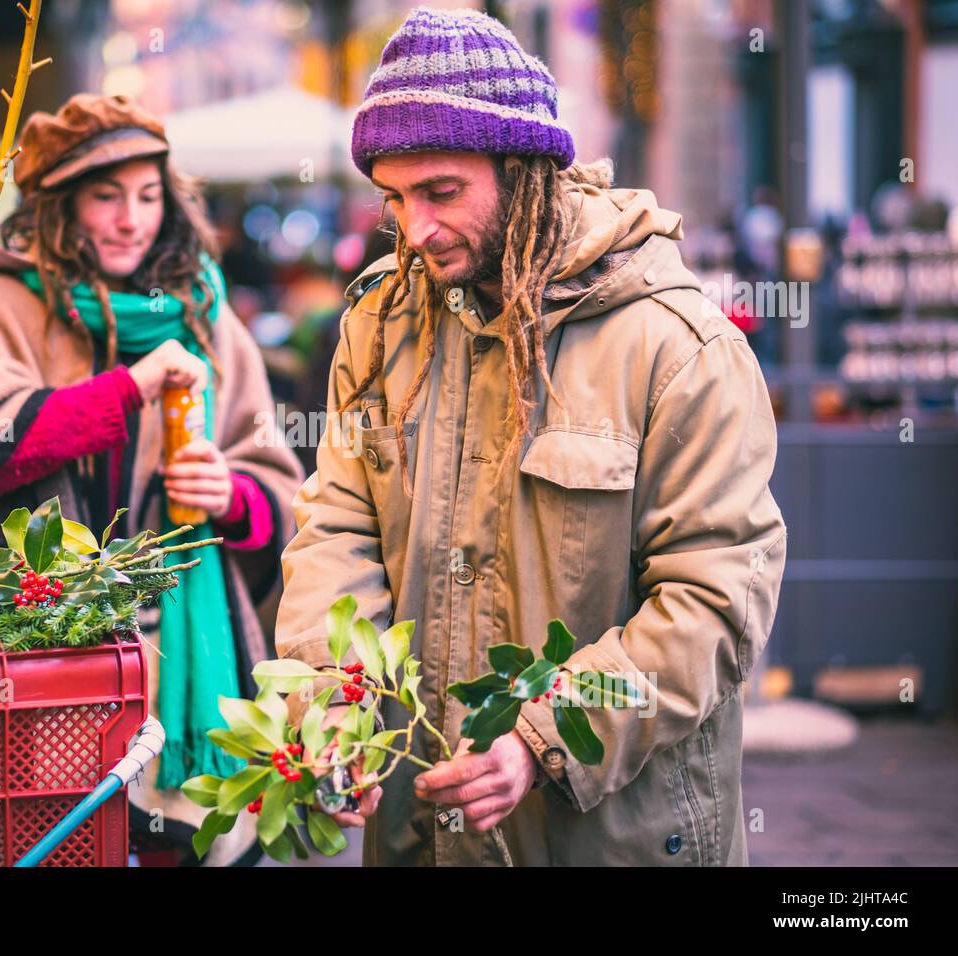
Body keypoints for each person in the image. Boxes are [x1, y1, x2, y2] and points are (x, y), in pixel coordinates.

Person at [274, 7, 786, 866]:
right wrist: (337, 701)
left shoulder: (677, 346)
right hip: (422, 832)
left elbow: (714, 600)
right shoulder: (378, 323)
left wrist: (549, 738)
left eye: (442, 191)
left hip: (611, 838)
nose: (417, 227)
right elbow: (337, 528)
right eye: (396, 198)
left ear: (524, 172)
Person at [0, 93, 304, 866]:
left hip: (182, 643)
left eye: (147, 195)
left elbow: (278, 479)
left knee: (180, 837)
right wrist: (126, 390)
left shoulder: (202, 309)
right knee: (53, 836)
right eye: (105, 196)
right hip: (36, 647)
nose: (131, 220)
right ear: (59, 206)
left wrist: (231, 496)